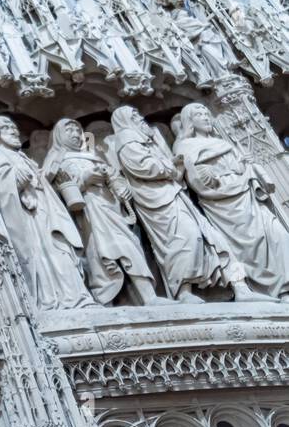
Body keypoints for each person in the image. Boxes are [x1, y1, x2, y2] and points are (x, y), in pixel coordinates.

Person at [108, 106, 257, 303]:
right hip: (158, 202)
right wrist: (172, 165)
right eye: (134, 115)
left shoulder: (146, 138)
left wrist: (174, 167)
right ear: (123, 120)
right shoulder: (127, 139)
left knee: (210, 237)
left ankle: (240, 287)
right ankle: (183, 292)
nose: (140, 117)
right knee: (184, 240)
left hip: (174, 194)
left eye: (138, 113)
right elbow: (143, 167)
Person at [43, 118, 170, 306]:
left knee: (130, 244)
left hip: (111, 207)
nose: (76, 134)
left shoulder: (92, 156)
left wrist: (119, 186)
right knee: (98, 254)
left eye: (78, 130)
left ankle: (149, 296)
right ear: (59, 135)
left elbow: (113, 175)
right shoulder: (56, 161)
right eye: (69, 130)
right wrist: (85, 179)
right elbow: (51, 194)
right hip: (87, 213)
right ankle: (105, 302)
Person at [173, 103, 289, 300]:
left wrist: (244, 165)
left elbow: (237, 166)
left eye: (207, 113)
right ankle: (262, 290)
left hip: (248, 195)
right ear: (189, 121)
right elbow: (193, 181)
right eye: (199, 114)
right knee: (245, 250)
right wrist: (209, 177)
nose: (206, 117)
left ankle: (285, 289)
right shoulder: (185, 147)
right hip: (222, 204)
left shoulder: (223, 142)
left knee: (278, 235)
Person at [0, 116, 94, 310]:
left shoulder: (22, 155)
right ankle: (49, 301)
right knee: (41, 253)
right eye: (7, 127)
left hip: (46, 207)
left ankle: (78, 297)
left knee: (61, 249)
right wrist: (15, 178)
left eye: (14, 127)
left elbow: (39, 179)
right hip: (27, 214)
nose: (14, 131)